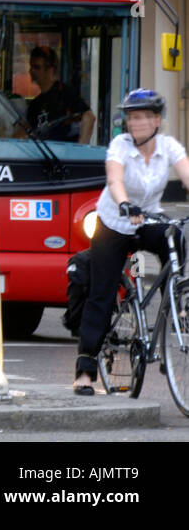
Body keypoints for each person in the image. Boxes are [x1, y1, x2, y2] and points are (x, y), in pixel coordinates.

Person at [74, 89, 189, 394]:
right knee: (102, 292)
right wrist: (125, 203)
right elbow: (115, 179)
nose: (134, 123)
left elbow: (186, 172)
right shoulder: (120, 146)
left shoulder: (169, 147)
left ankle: (176, 304)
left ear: (156, 120)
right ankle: (85, 371)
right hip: (114, 223)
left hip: (148, 220)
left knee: (175, 237)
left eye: (141, 117)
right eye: (131, 118)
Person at [25, 46, 95, 143]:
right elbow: (27, 130)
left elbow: (89, 116)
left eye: (37, 67)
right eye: (31, 67)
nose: (31, 71)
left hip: (63, 155)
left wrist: (80, 148)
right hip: (42, 154)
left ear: (50, 70)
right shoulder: (35, 104)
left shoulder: (65, 93)